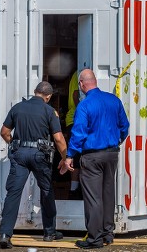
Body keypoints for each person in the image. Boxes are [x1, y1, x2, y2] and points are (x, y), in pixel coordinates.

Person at [63, 69, 130, 249]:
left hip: (92, 156)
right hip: (111, 153)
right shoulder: (113, 100)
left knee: (93, 197)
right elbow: (125, 125)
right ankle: (108, 233)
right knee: (108, 193)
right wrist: (118, 140)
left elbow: (78, 133)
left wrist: (70, 156)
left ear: (82, 84)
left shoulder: (84, 106)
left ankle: (94, 238)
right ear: (95, 81)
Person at [0, 81, 68, 249]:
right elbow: (58, 138)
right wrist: (65, 157)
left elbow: (4, 132)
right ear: (48, 96)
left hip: (20, 154)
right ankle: (49, 233)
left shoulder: (18, 107)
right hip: (40, 155)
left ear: (35, 92)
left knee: (13, 193)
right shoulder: (49, 111)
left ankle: (5, 234)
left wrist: (14, 145)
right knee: (46, 190)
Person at [65, 71, 82, 199]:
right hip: (75, 119)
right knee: (77, 157)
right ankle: (74, 190)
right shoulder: (79, 74)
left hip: (72, 119)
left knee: (75, 155)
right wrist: (83, 113)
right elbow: (76, 95)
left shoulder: (74, 74)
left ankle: (74, 189)